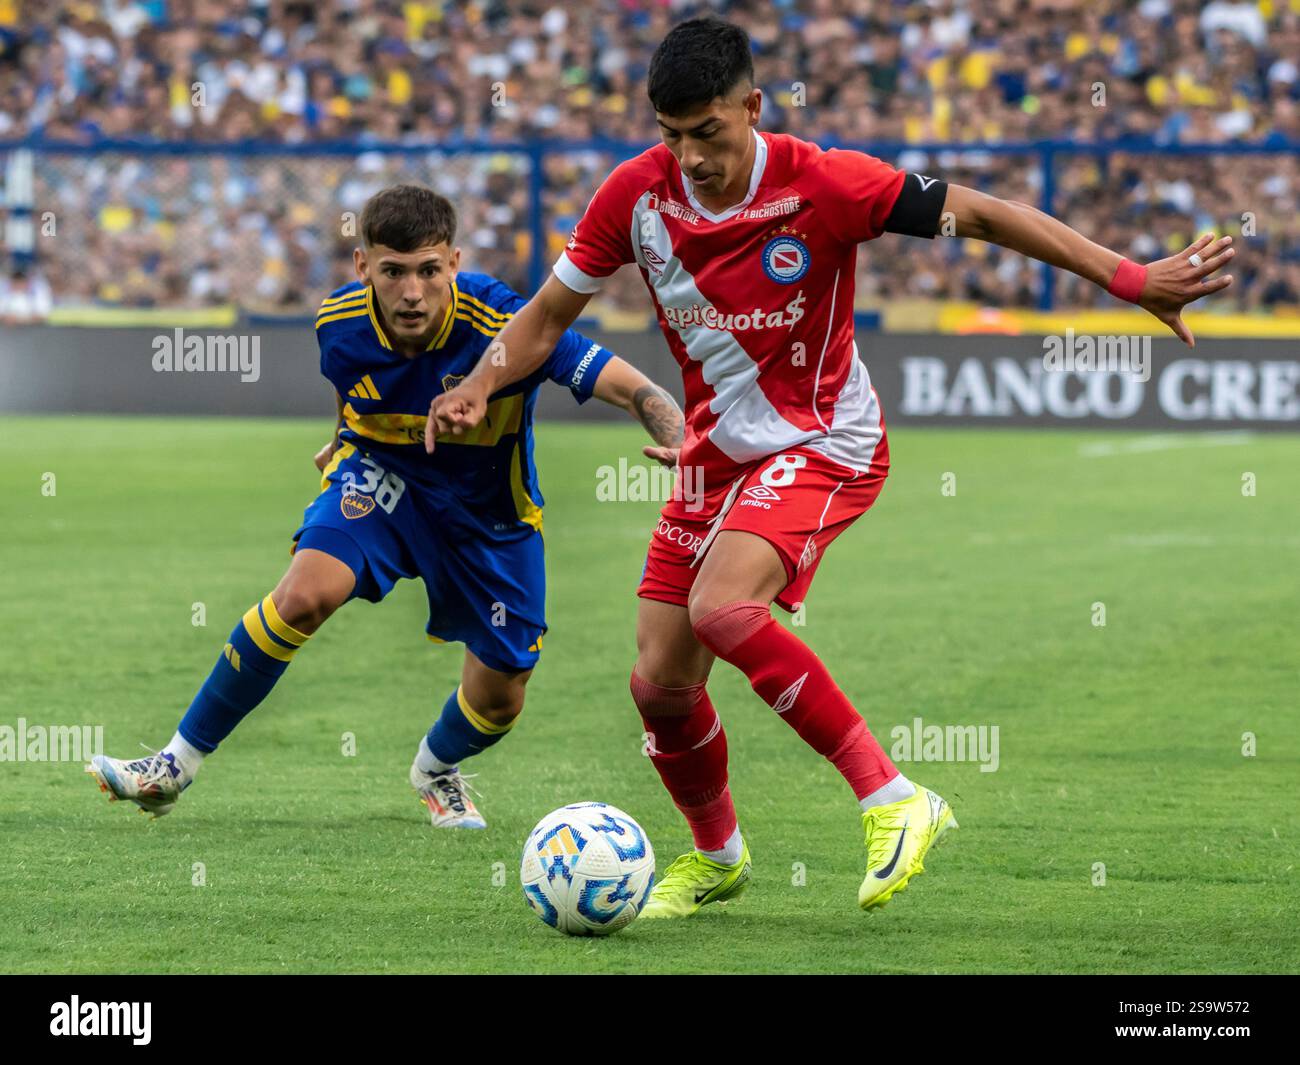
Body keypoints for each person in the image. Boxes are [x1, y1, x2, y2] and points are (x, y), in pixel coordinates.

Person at [427, 18, 1235, 914]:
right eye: (670, 134)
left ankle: (895, 797)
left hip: (825, 440)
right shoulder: (635, 197)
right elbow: (543, 316)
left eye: (708, 133)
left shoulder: (826, 182)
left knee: (723, 607)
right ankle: (719, 858)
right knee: (658, 683)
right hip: (716, 456)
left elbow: (990, 214)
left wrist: (1130, 280)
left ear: (753, 109)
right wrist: (474, 383)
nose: (689, 156)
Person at [87, 184, 684, 829]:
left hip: (492, 521)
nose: (411, 293)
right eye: (393, 272)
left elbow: (638, 390)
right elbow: (353, 395)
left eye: (429, 271)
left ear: (453, 263)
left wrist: (683, 446)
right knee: (303, 596)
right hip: (383, 483)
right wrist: (343, 438)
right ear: (362, 266)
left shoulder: (508, 325)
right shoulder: (337, 325)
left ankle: (436, 768)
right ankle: (173, 766)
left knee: (502, 696)